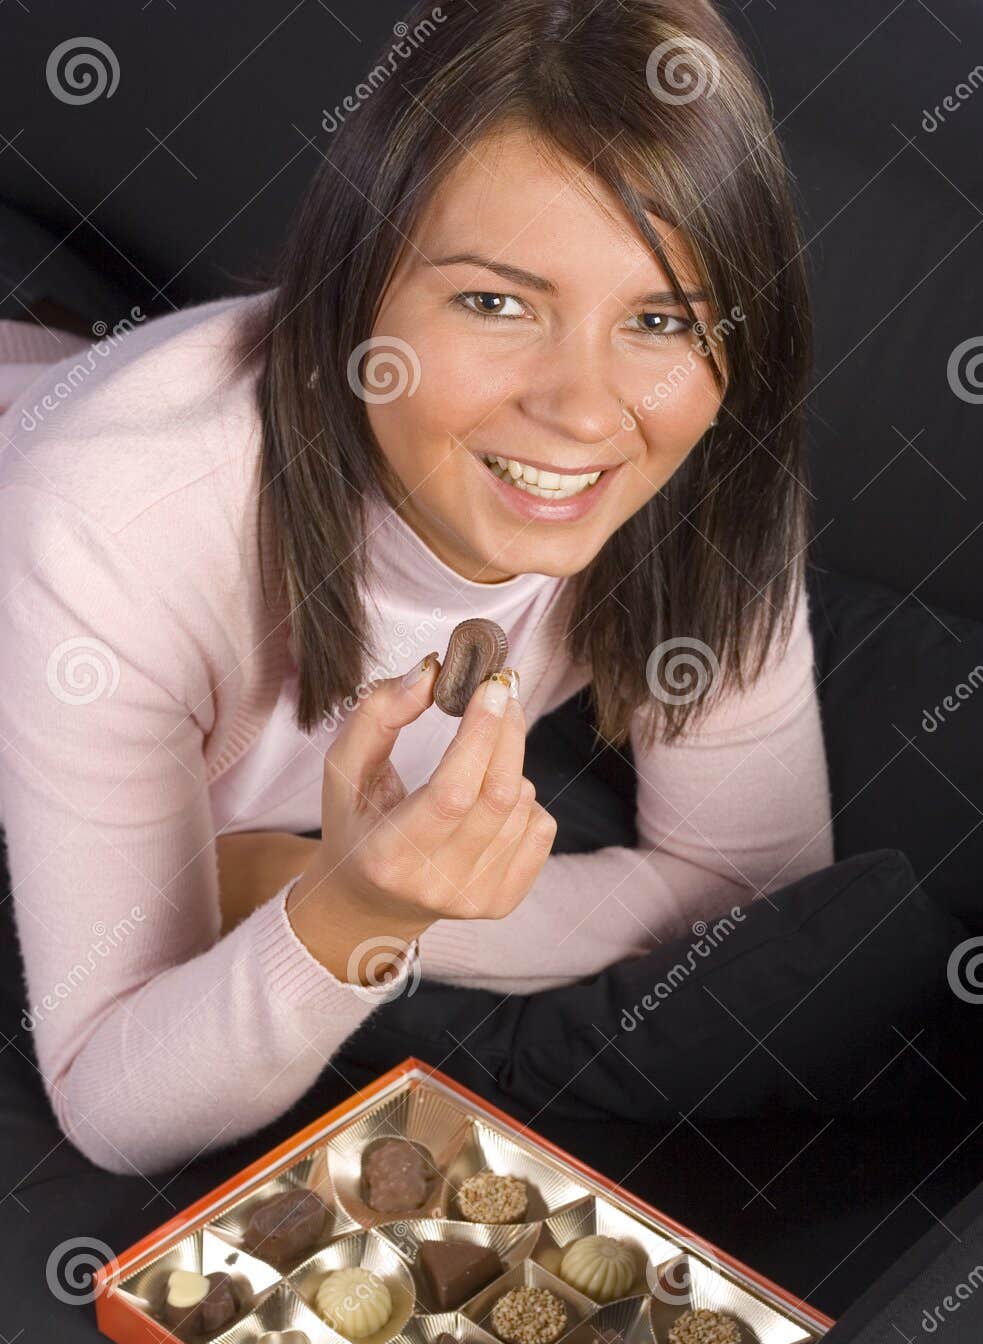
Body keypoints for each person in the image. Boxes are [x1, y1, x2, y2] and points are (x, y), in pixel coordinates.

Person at [0, 0, 832, 1178]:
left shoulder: (704, 467)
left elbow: (756, 896)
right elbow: (113, 1102)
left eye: (657, 319)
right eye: (496, 302)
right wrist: (349, 919)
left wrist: (327, 892)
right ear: (355, 287)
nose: (585, 412)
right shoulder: (109, 528)